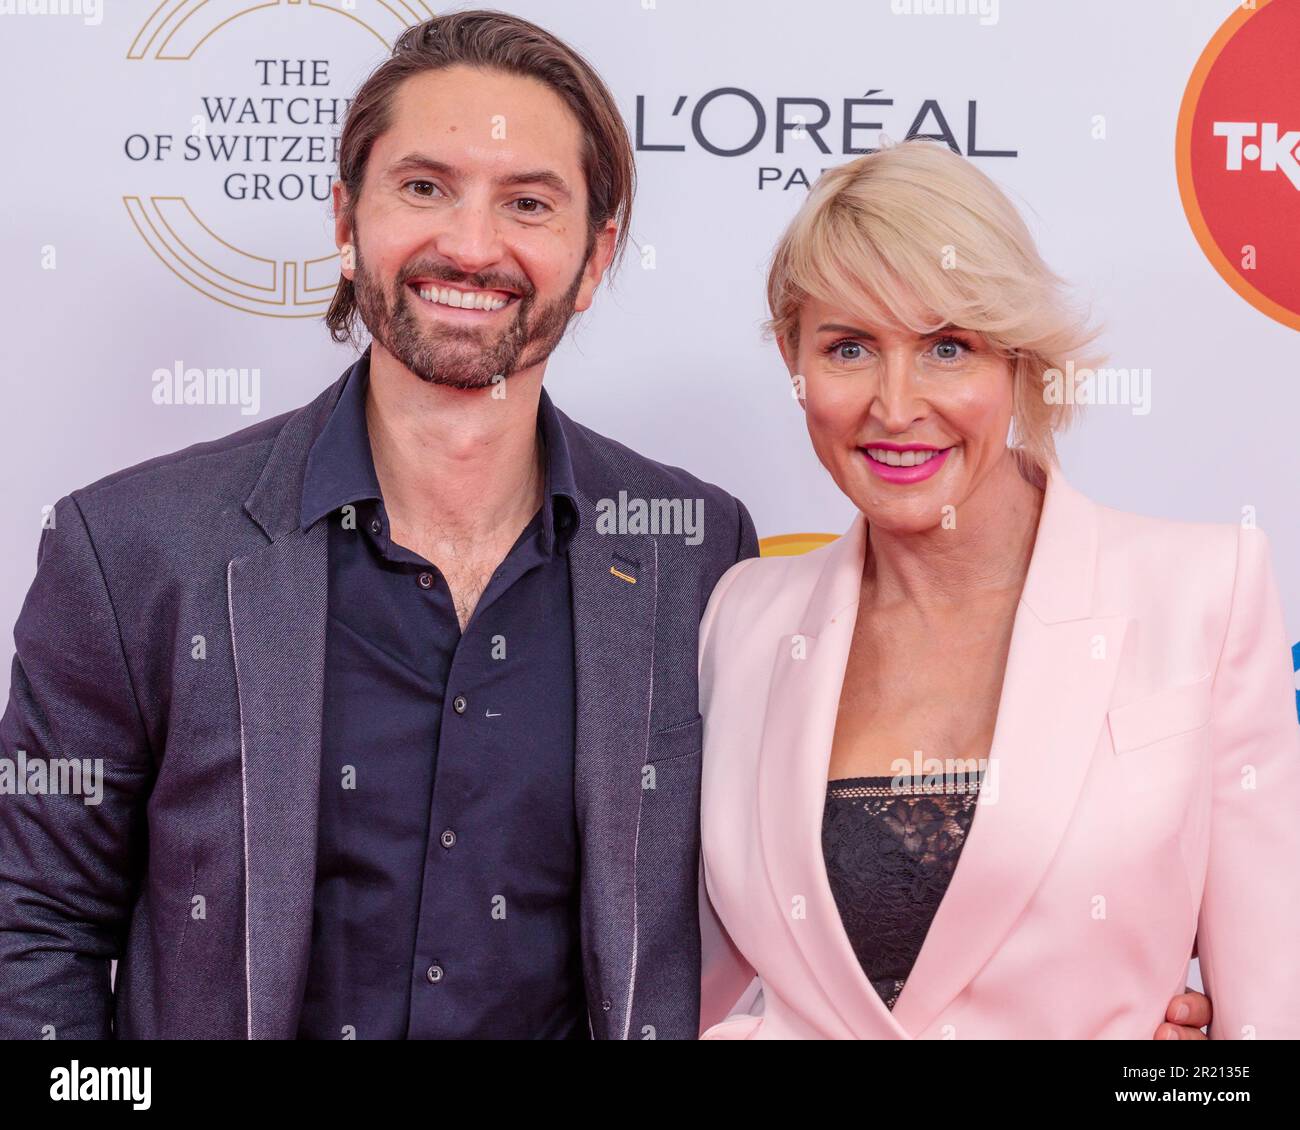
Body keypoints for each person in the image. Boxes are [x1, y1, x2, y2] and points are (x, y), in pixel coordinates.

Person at [0, 11, 754, 1041]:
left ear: (596, 253)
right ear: (347, 216)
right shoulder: (135, 547)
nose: (471, 243)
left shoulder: (694, 550)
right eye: (424, 186)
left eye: (528, 202)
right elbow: (33, 926)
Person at [696, 140, 1294, 1039]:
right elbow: (670, 989)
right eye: (849, 347)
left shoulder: (1203, 590)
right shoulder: (741, 617)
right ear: (794, 359)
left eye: (947, 347)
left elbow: (1264, 1019)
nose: (895, 407)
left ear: (1019, 361)